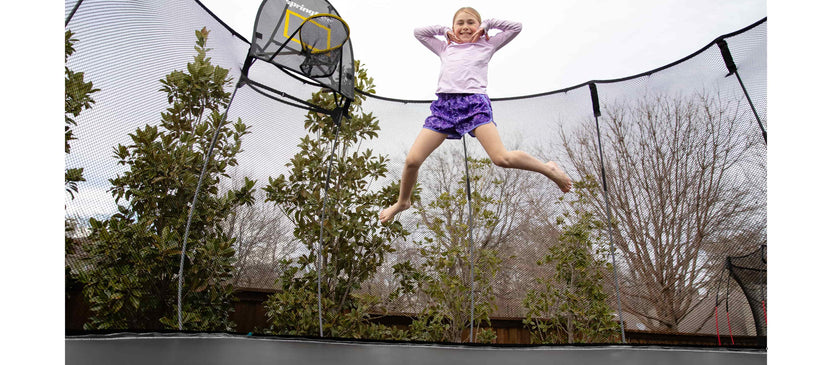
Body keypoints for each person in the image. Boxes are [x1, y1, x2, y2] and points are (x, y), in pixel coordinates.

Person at [379, 7, 572, 224]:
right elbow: (419, 32)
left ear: (478, 26)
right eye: (460, 23)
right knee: (412, 160)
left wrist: (487, 25)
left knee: (501, 158)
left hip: (474, 105)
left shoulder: (487, 44)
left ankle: (548, 169)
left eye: (471, 22)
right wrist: (444, 30)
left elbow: (516, 27)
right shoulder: (445, 47)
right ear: (453, 27)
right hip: (444, 107)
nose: (465, 27)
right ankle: (403, 202)